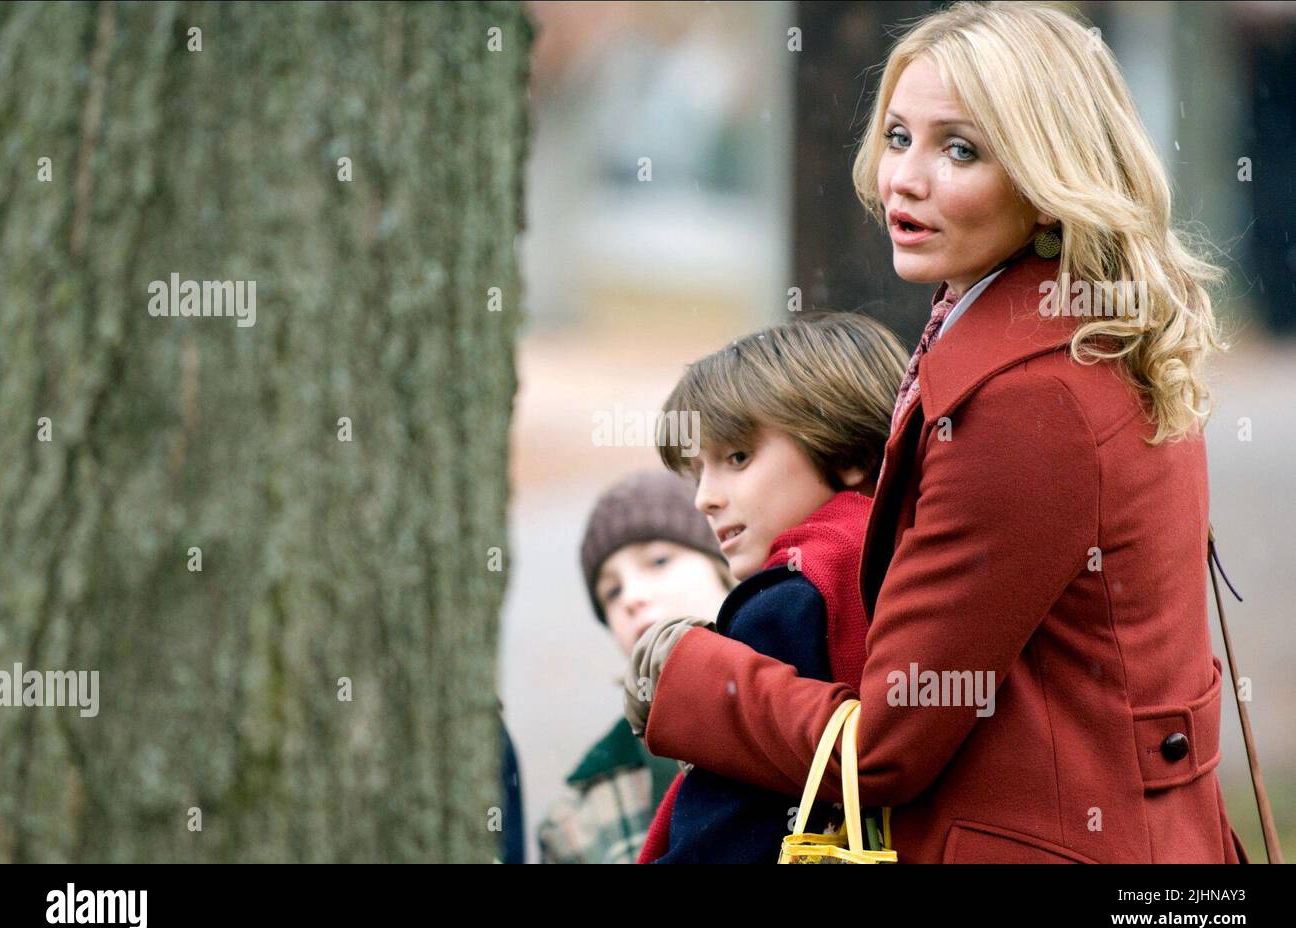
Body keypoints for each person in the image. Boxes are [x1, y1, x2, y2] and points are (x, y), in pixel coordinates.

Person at [628, 1, 1248, 863]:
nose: (904, 180)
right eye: (897, 137)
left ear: (1045, 179)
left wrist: (692, 671)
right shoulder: (1075, 331)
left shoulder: (1028, 401)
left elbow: (887, 745)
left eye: (959, 148)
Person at [630, 313, 906, 863]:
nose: (704, 498)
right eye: (696, 471)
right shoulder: (912, 556)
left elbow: (726, 832)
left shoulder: (789, 598)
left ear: (849, 451)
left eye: (737, 458)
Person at [535, 469, 733, 863]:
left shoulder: (825, 702)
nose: (632, 597)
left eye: (658, 561)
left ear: (726, 566)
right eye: (612, 590)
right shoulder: (577, 825)